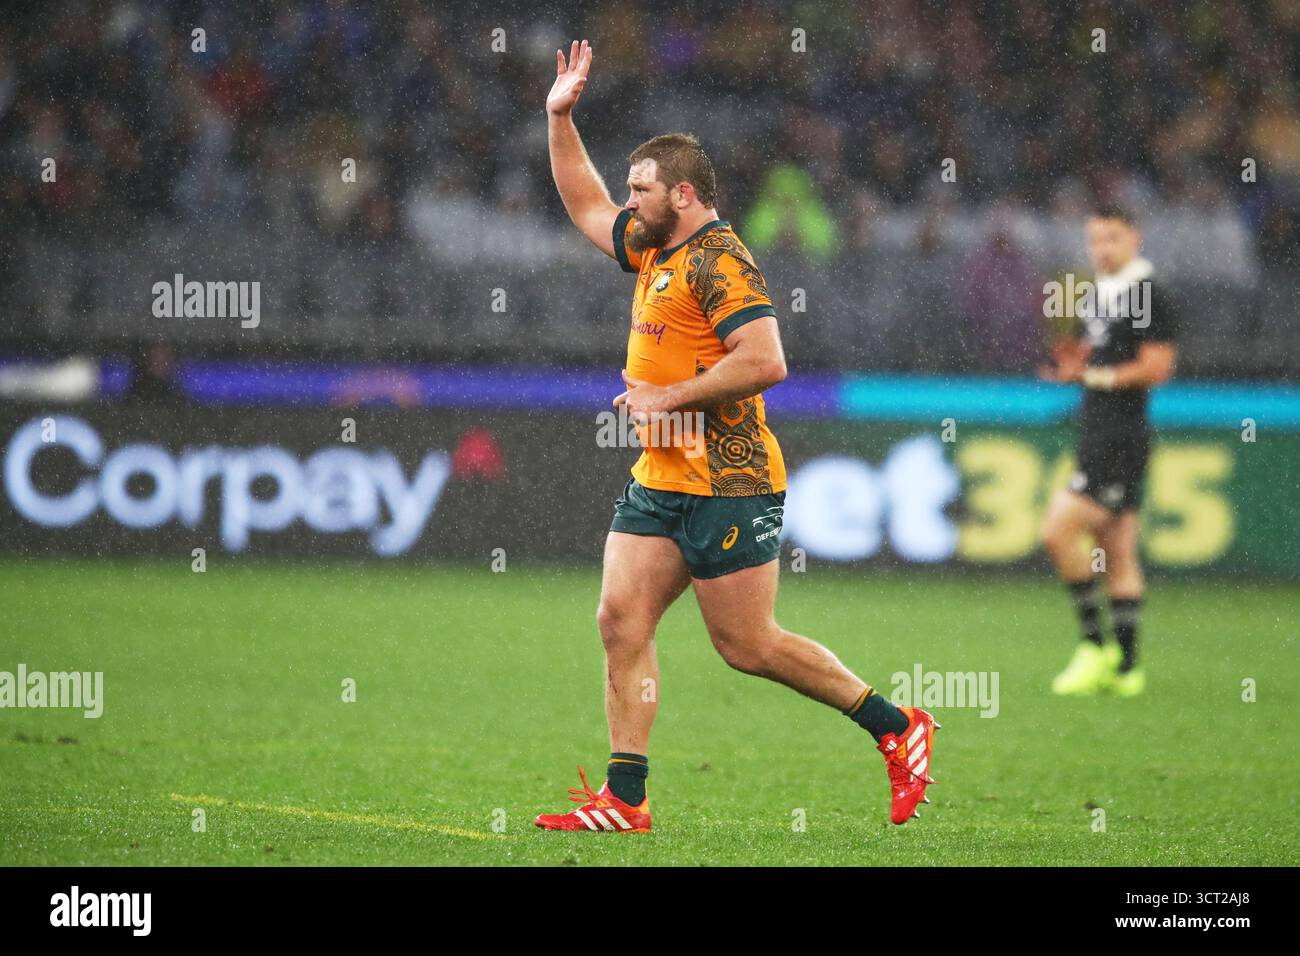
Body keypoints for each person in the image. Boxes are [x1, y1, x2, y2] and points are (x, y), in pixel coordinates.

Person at [534, 41, 938, 833]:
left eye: (641, 188)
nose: (628, 200)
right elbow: (583, 204)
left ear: (682, 193)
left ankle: (896, 726)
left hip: (730, 480)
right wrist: (560, 117)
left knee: (748, 648)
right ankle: (626, 798)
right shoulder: (654, 246)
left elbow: (767, 360)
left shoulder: (722, 263)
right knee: (619, 619)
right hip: (662, 480)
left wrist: (668, 397)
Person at [1039, 206, 1179, 697]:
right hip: (1100, 431)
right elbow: (1092, 359)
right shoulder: (1101, 294)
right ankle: (1127, 669)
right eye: (1096, 239)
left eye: (1113, 238)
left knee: (1057, 530)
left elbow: (1158, 366)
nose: (1103, 248)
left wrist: (1092, 376)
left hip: (1119, 438)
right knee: (1116, 549)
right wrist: (1071, 368)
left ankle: (1094, 645)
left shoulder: (1148, 294)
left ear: (1135, 239)